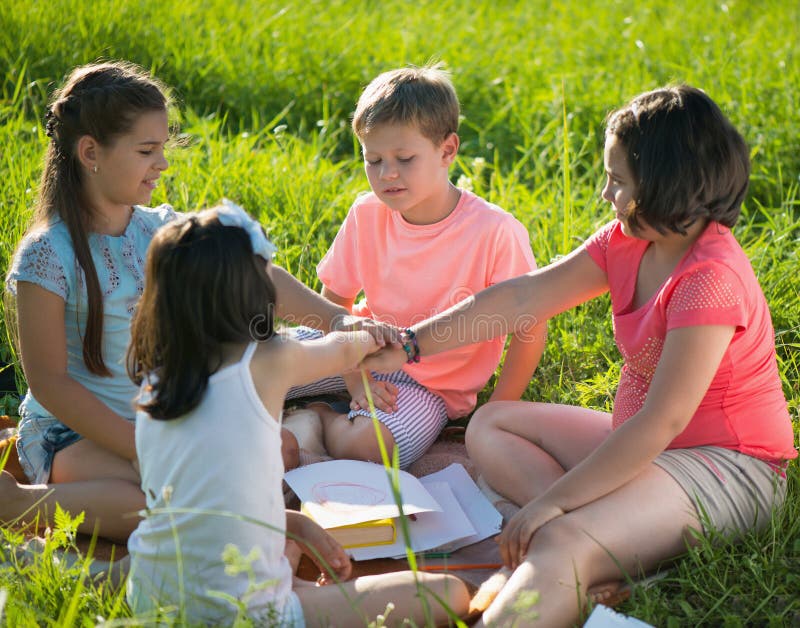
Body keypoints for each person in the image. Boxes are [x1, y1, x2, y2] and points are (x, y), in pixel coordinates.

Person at [363, 85, 797, 627]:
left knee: (564, 533)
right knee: (493, 423)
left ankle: (578, 548)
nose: (604, 193)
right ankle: (606, 548)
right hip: (640, 441)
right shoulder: (628, 240)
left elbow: (664, 422)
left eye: (617, 181)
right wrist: (409, 344)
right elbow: (523, 297)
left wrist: (555, 503)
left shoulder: (709, 280)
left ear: (664, 185)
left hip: (730, 466)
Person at [0, 61, 389, 542]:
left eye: (162, 148)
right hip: (77, 436)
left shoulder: (158, 229)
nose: (161, 163)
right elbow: (52, 383)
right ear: (90, 153)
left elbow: (254, 270)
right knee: (160, 508)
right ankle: (20, 502)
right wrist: (140, 447)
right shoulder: (48, 256)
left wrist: (335, 318)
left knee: (279, 452)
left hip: (163, 420)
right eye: (147, 150)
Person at [125, 204, 470, 626]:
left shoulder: (155, 383)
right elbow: (342, 349)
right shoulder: (270, 359)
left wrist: (293, 524)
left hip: (147, 591)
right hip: (246, 613)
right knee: (448, 593)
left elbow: (196, 500)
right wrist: (374, 335)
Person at [287, 64, 546, 470]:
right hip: (358, 347)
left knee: (371, 450)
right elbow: (335, 300)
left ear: (447, 150)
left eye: (404, 159)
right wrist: (355, 376)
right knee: (253, 357)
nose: (387, 174)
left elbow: (530, 328)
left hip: (434, 387)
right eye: (373, 160)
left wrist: (498, 410)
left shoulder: (495, 231)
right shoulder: (367, 213)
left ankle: (317, 415)